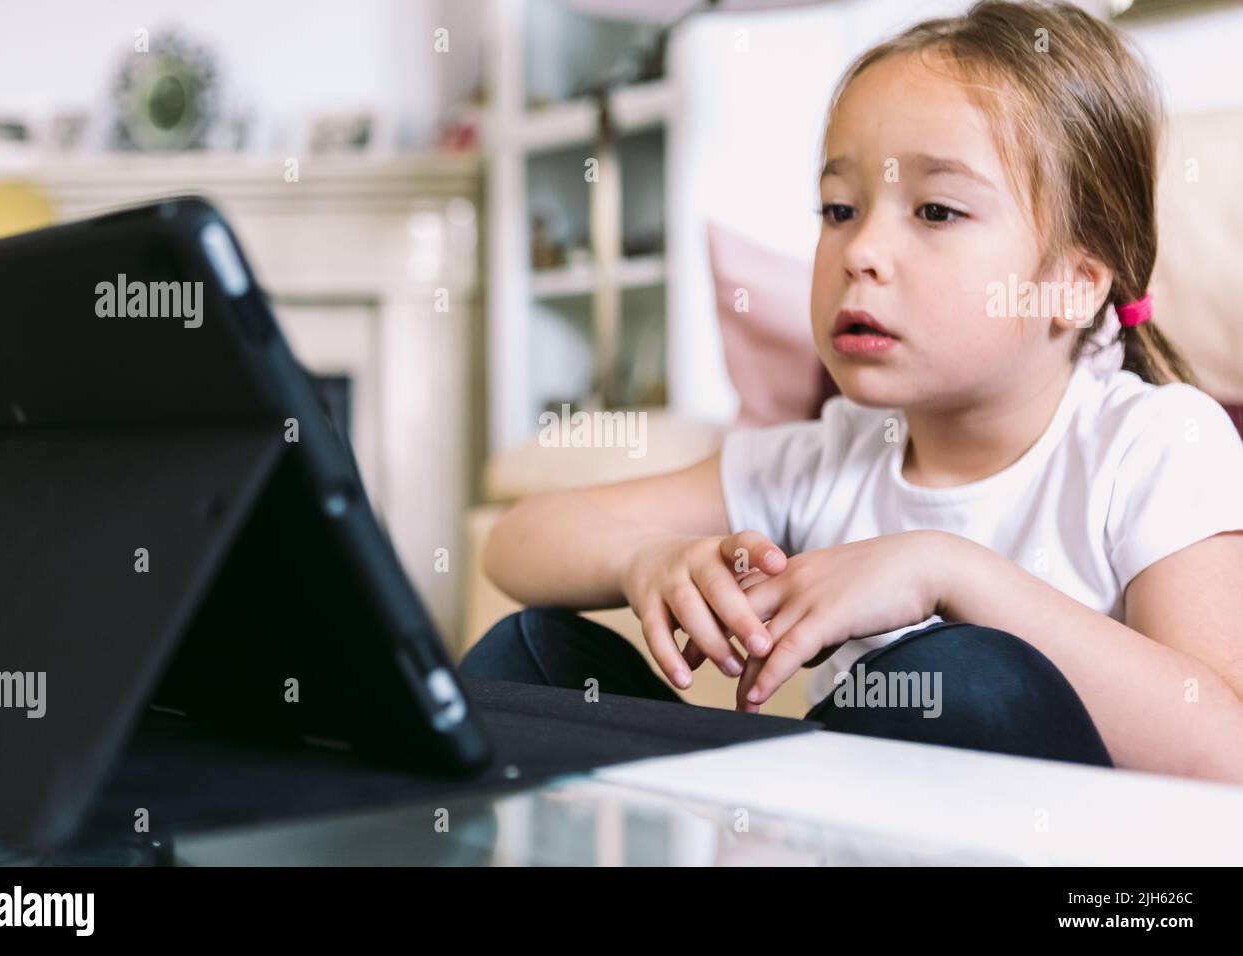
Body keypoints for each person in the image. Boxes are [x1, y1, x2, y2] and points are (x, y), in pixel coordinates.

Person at [464, 0, 1243, 782]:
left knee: (956, 676)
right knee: (529, 653)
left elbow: (1224, 753)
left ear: (1075, 285)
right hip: (825, 821)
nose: (861, 250)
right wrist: (644, 559)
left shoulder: (1156, 443)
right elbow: (519, 541)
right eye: (839, 209)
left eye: (937, 211)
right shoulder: (824, 456)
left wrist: (948, 571)